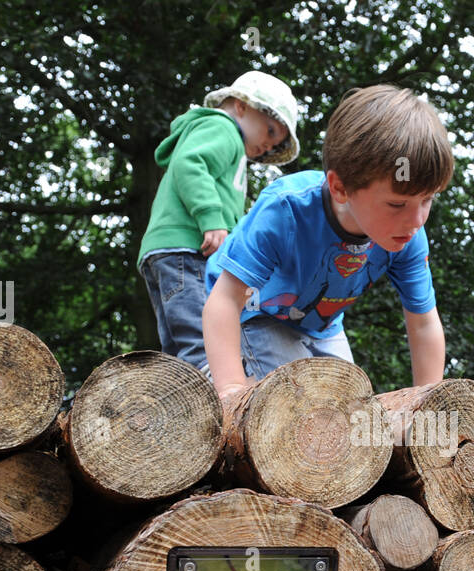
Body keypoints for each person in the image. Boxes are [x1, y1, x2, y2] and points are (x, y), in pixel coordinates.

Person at [201, 85, 452, 399]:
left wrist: (425, 404)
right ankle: (214, 375)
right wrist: (231, 393)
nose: (416, 221)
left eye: (427, 200)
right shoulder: (286, 210)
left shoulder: (409, 235)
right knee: (300, 406)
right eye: (397, 205)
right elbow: (224, 300)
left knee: (352, 406)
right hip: (255, 315)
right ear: (340, 188)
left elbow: (424, 324)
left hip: (323, 328)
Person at [138, 72, 301, 370]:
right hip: (188, 247)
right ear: (241, 106)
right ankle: (215, 400)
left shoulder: (226, 140)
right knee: (205, 338)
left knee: (178, 343)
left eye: (276, 143)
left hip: (168, 250)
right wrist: (211, 218)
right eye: (270, 131)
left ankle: (179, 398)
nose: (269, 146)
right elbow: (191, 164)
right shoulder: (222, 128)